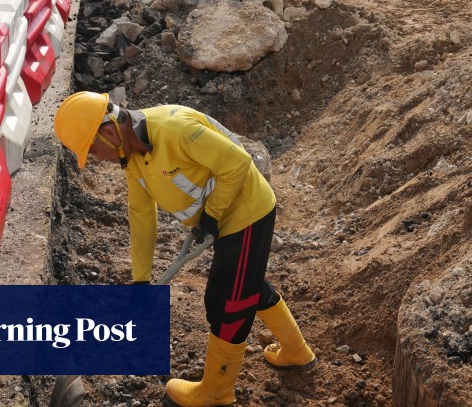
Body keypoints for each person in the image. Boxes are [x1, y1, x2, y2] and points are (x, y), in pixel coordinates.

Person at [54, 92, 315, 406]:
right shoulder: (133, 158)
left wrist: (212, 214)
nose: (99, 159)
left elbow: (237, 162)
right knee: (246, 284)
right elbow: (141, 213)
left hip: (247, 214)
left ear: (109, 133)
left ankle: (217, 392)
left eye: (94, 151)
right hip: (224, 221)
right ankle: (296, 351)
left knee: (227, 301)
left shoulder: (174, 129)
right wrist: (141, 282)